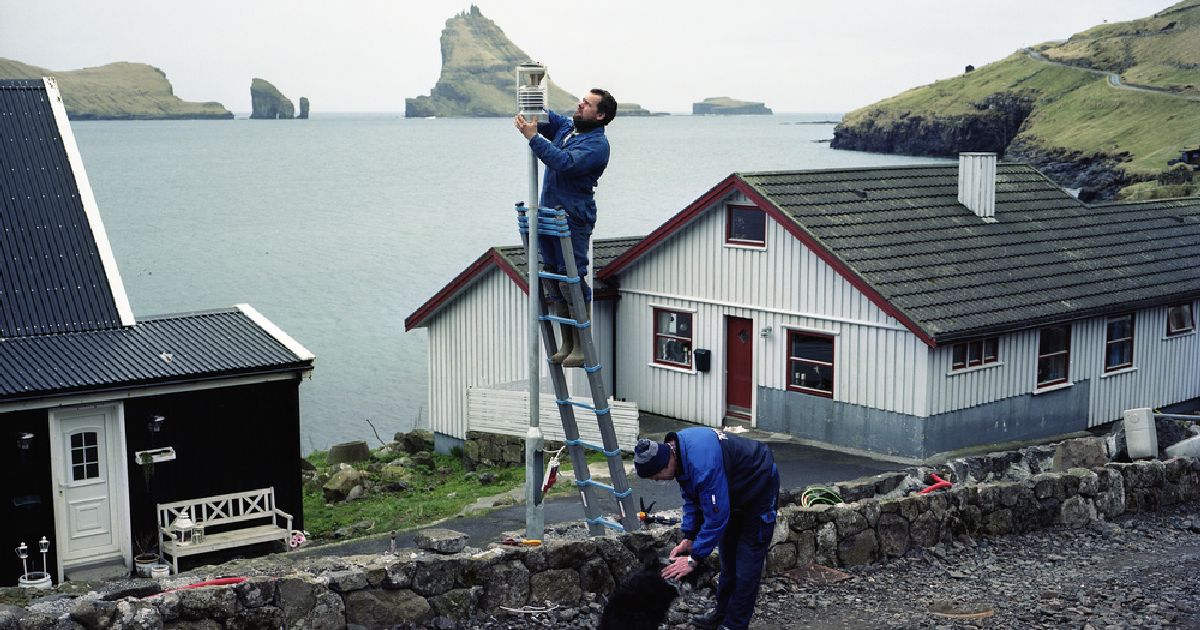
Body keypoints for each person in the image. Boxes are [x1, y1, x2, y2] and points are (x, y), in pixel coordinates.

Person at [633, 428, 780, 630]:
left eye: (655, 475)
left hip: (758, 488)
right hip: (730, 492)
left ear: (665, 462)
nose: (657, 480)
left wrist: (693, 559)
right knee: (728, 562)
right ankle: (722, 614)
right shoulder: (680, 454)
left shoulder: (702, 465)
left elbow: (716, 517)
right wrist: (689, 537)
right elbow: (692, 498)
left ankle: (734, 625)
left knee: (746, 567)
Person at [513, 88, 616, 367]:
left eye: (587, 104)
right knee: (553, 277)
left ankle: (581, 344)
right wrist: (531, 92)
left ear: (600, 115)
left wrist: (534, 138)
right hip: (549, 213)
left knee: (571, 277)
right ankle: (567, 342)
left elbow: (564, 163)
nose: (580, 105)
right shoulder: (569, 128)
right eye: (582, 101)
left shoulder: (597, 145)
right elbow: (545, 118)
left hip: (572, 216)